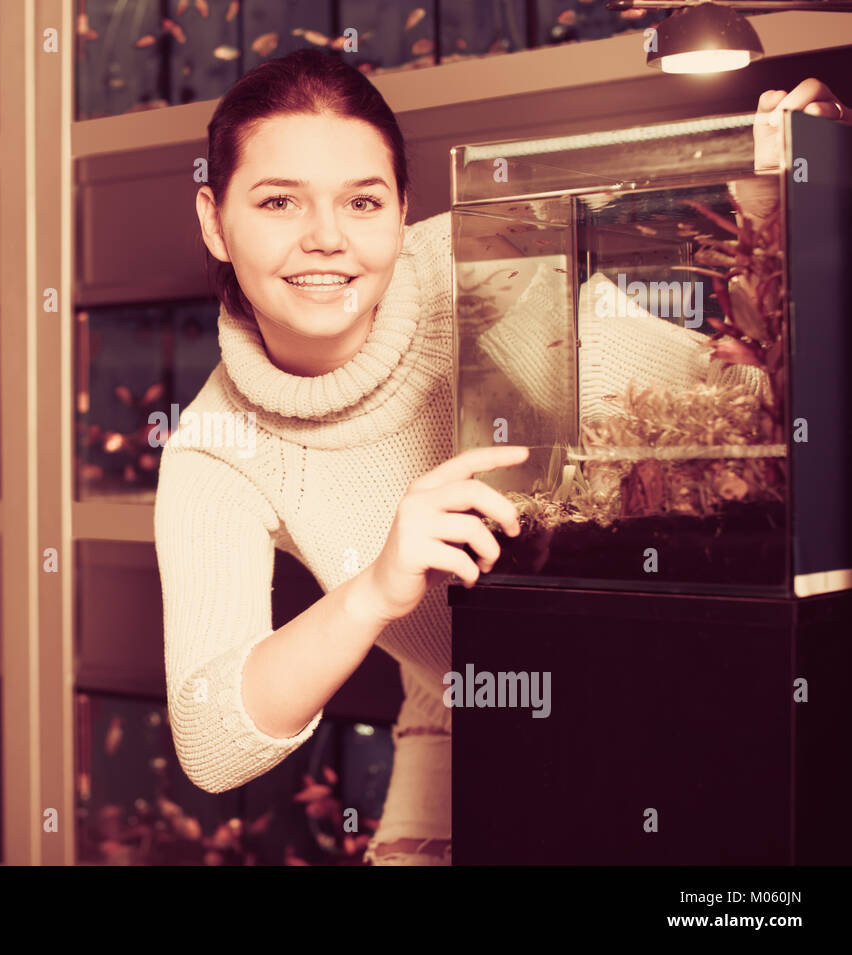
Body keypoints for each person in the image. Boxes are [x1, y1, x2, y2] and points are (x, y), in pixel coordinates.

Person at [152, 50, 848, 865]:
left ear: (403, 208)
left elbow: (744, 413)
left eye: (363, 201)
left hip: (664, 667)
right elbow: (210, 740)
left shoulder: (488, 264)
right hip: (461, 693)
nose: (327, 239)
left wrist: (797, 214)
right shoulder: (214, 446)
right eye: (278, 201)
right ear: (213, 219)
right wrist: (373, 590)